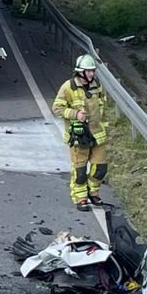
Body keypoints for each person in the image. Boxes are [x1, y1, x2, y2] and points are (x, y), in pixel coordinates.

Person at [53, 54, 114, 211]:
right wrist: (75, 115)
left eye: (93, 71)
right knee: (80, 171)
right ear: (80, 72)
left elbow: (103, 108)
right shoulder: (68, 87)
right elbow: (57, 108)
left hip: (98, 134)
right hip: (78, 136)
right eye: (88, 71)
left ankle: (93, 193)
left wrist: (107, 129)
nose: (91, 74)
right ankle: (80, 197)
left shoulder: (97, 86)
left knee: (100, 168)